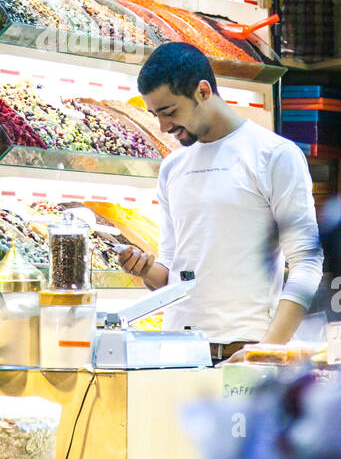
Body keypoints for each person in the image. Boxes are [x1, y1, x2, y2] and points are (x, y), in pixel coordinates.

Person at [117, 42, 324, 362]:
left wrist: (267, 350)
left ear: (202, 91)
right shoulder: (173, 168)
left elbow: (307, 264)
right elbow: (171, 277)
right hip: (177, 354)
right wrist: (144, 270)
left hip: (246, 351)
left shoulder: (273, 155)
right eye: (154, 114)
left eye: (169, 111)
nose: (162, 126)